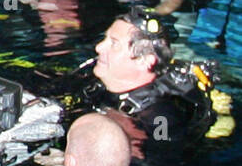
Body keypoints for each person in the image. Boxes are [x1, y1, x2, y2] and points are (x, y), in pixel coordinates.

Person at [75, 10, 214, 152]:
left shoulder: (161, 117)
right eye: (105, 39)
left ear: (144, 61)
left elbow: (163, 164)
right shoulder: (94, 77)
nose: (98, 47)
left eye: (114, 43)